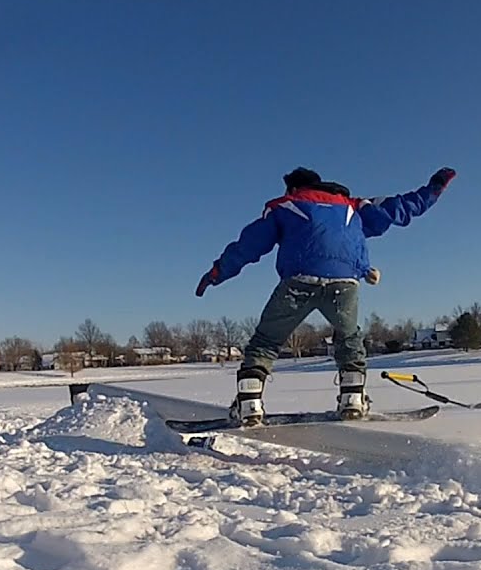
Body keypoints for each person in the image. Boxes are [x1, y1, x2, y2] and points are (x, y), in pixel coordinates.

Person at [195, 166, 456, 425]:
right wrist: (433, 189)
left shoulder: (286, 205)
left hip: (299, 281)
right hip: (344, 283)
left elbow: (248, 246)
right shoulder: (354, 206)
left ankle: (249, 404)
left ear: (295, 188)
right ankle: (352, 399)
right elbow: (402, 206)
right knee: (349, 338)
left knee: (266, 341)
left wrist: (216, 273)